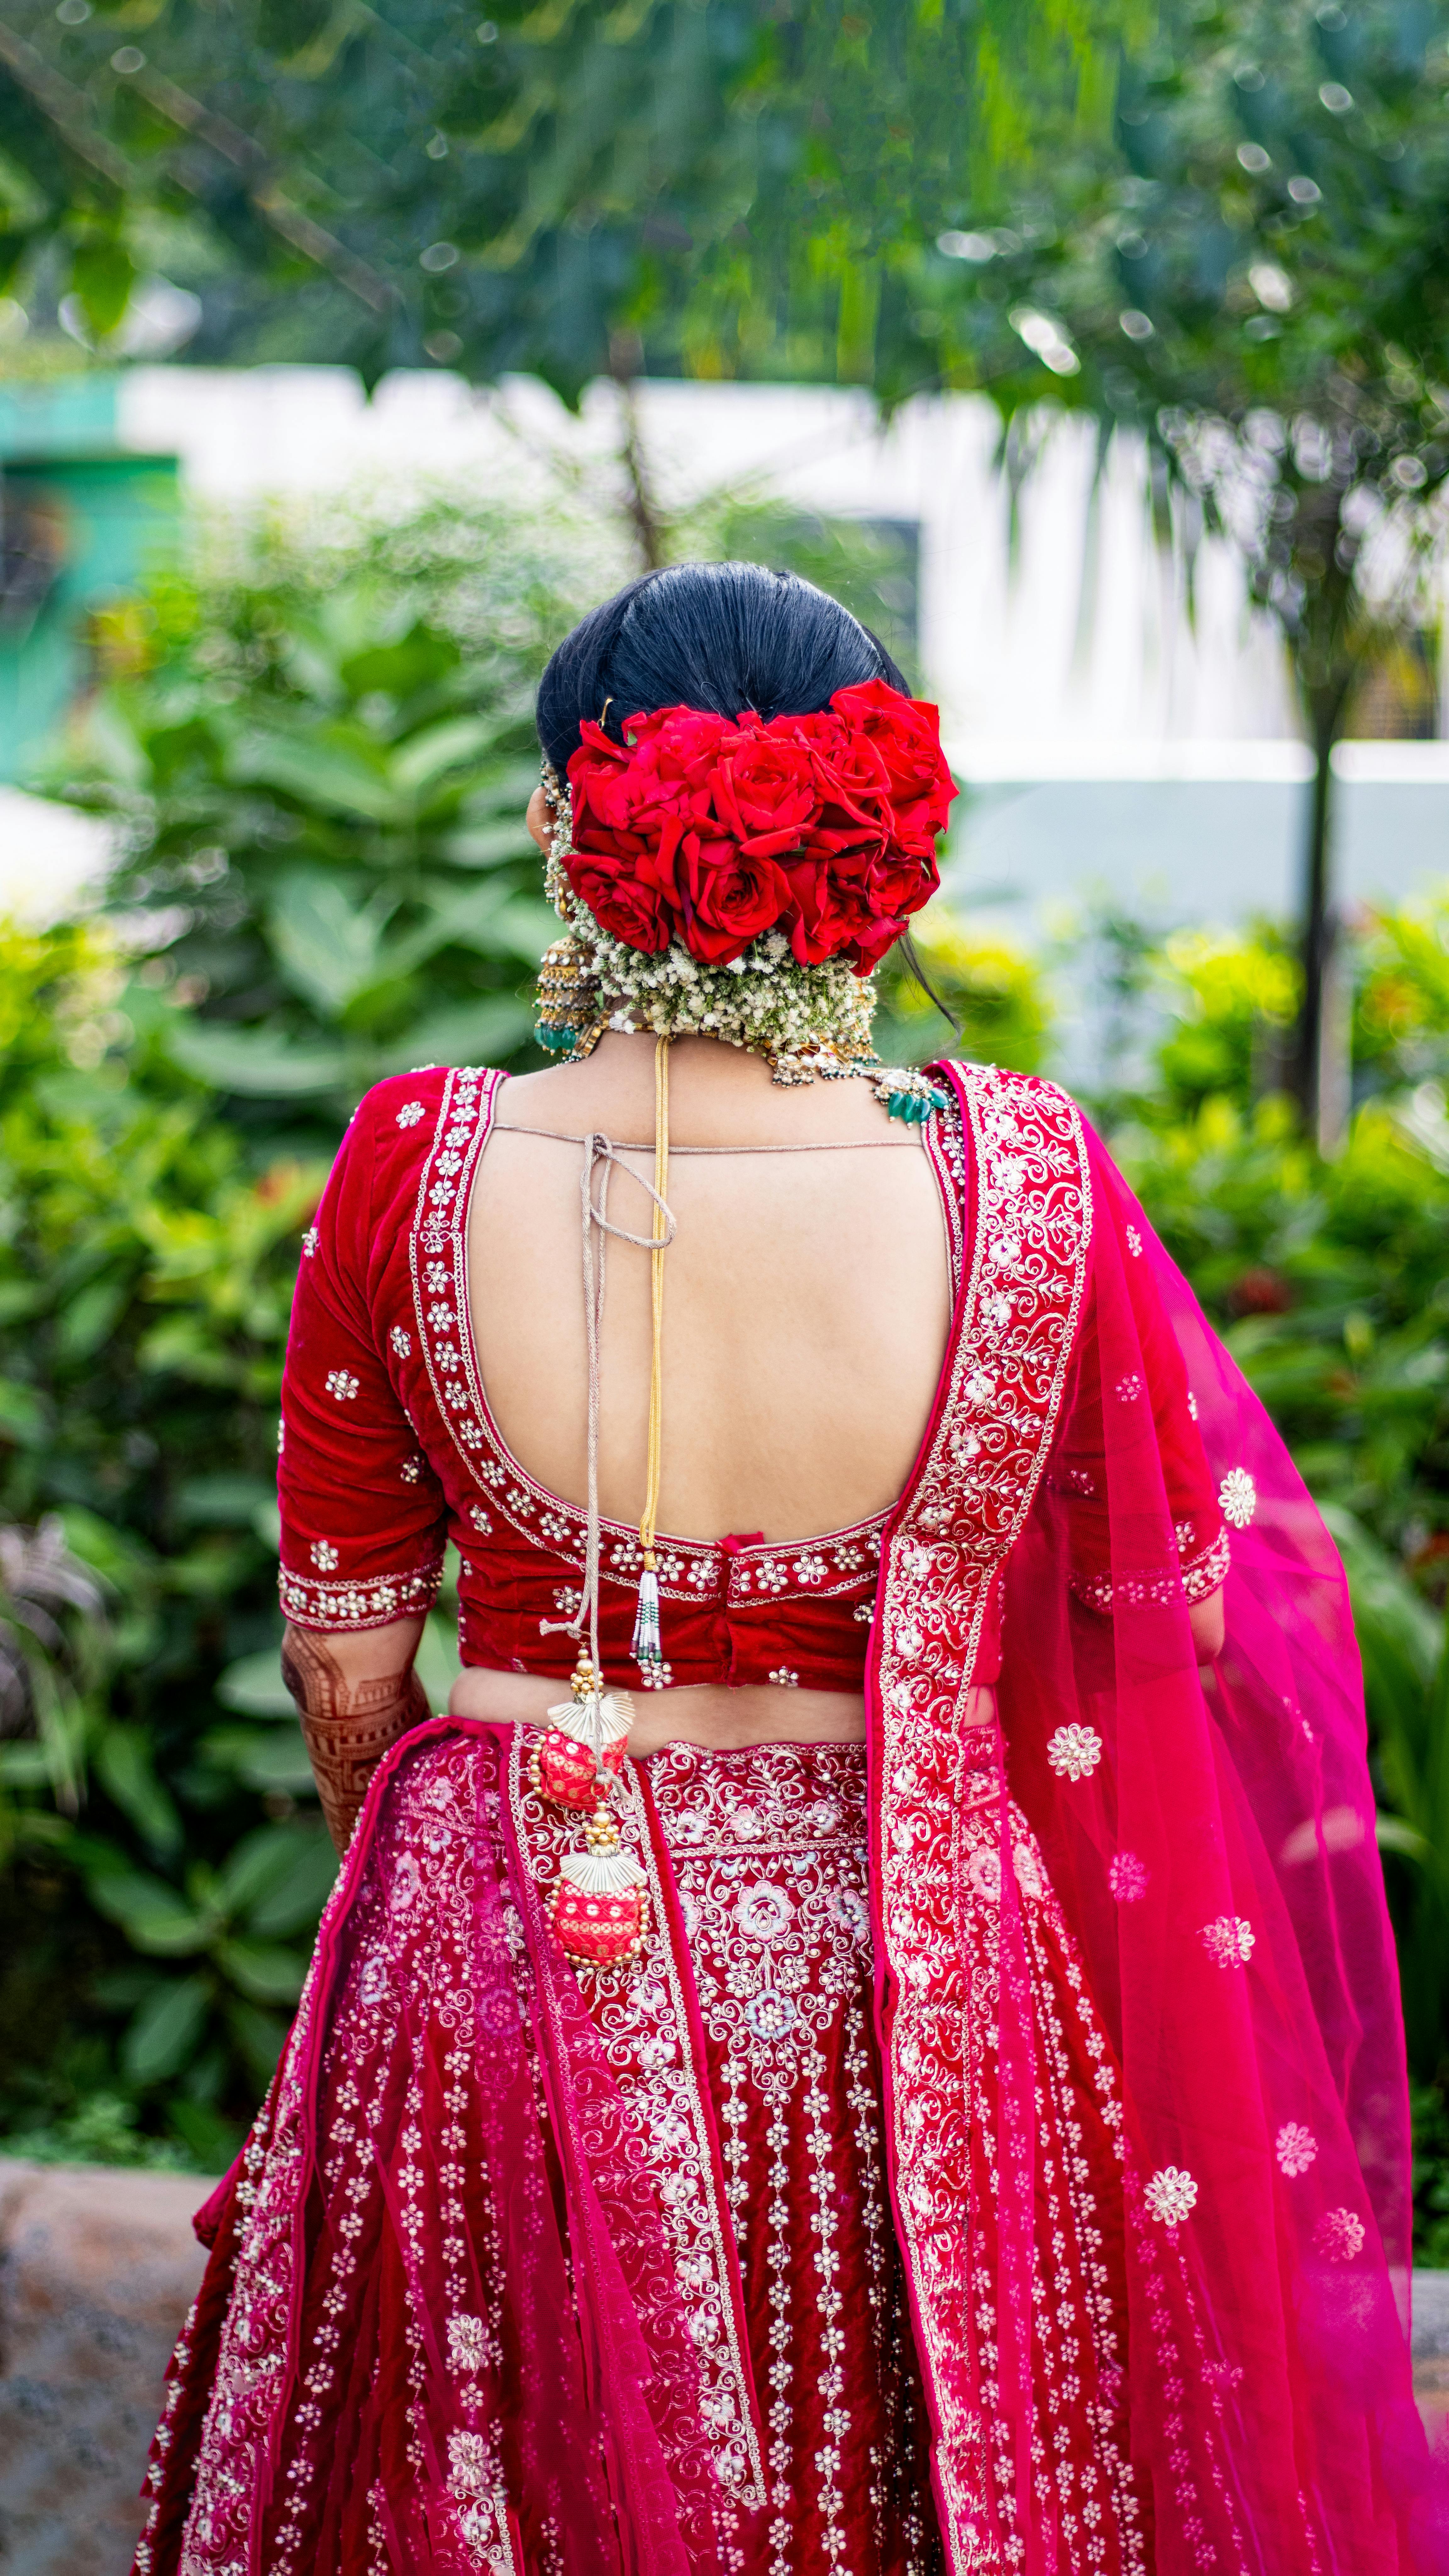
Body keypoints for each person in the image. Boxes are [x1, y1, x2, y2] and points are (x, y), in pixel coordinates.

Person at [132, 564, 1444, 2576]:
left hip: (508, 1953)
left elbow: (344, 1665)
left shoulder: (425, 1157)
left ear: (567, 828)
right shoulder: (1024, 1184)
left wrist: (437, 1885)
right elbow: (1175, 1622)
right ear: (876, 841)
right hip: (917, 1969)